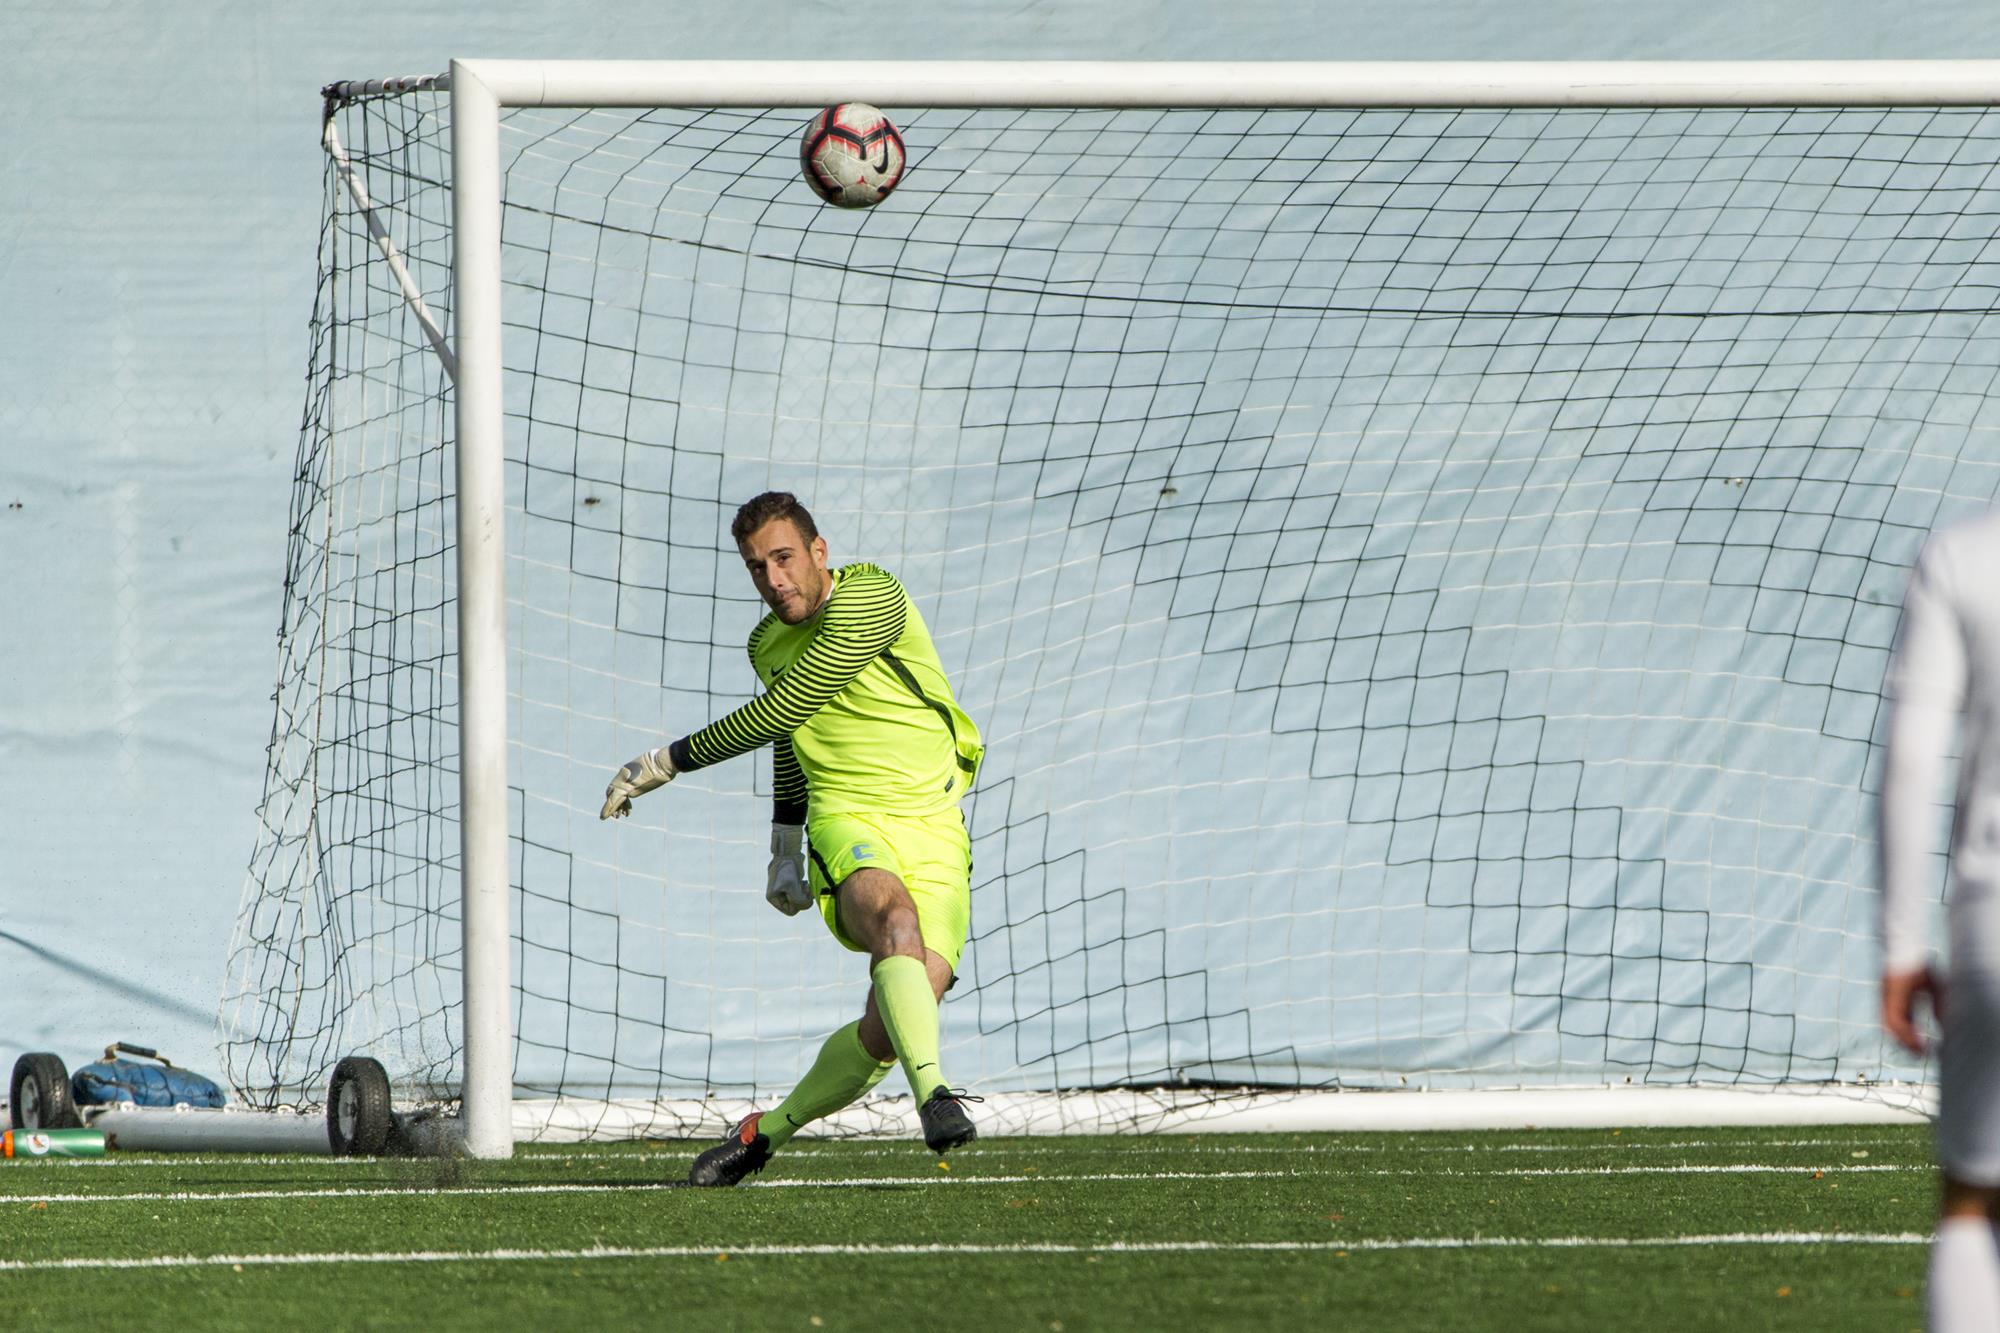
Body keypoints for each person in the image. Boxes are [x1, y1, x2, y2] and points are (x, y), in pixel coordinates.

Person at [601, 490, 984, 1186]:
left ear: (819, 552)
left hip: (934, 823)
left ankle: (763, 1133)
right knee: (894, 921)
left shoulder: (873, 598)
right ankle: (936, 1095)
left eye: (783, 559)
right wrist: (786, 845)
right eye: (755, 568)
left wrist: (665, 761)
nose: (773, 581)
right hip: (848, 820)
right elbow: (792, 736)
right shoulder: (766, 642)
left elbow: (791, 703)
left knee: (889, 1024)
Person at [1880, 507, 2000, 1330]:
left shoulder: (1961, 555)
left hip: (1993, 923)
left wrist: (1899, 945)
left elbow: (1912, 757)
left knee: (1971, 1196)